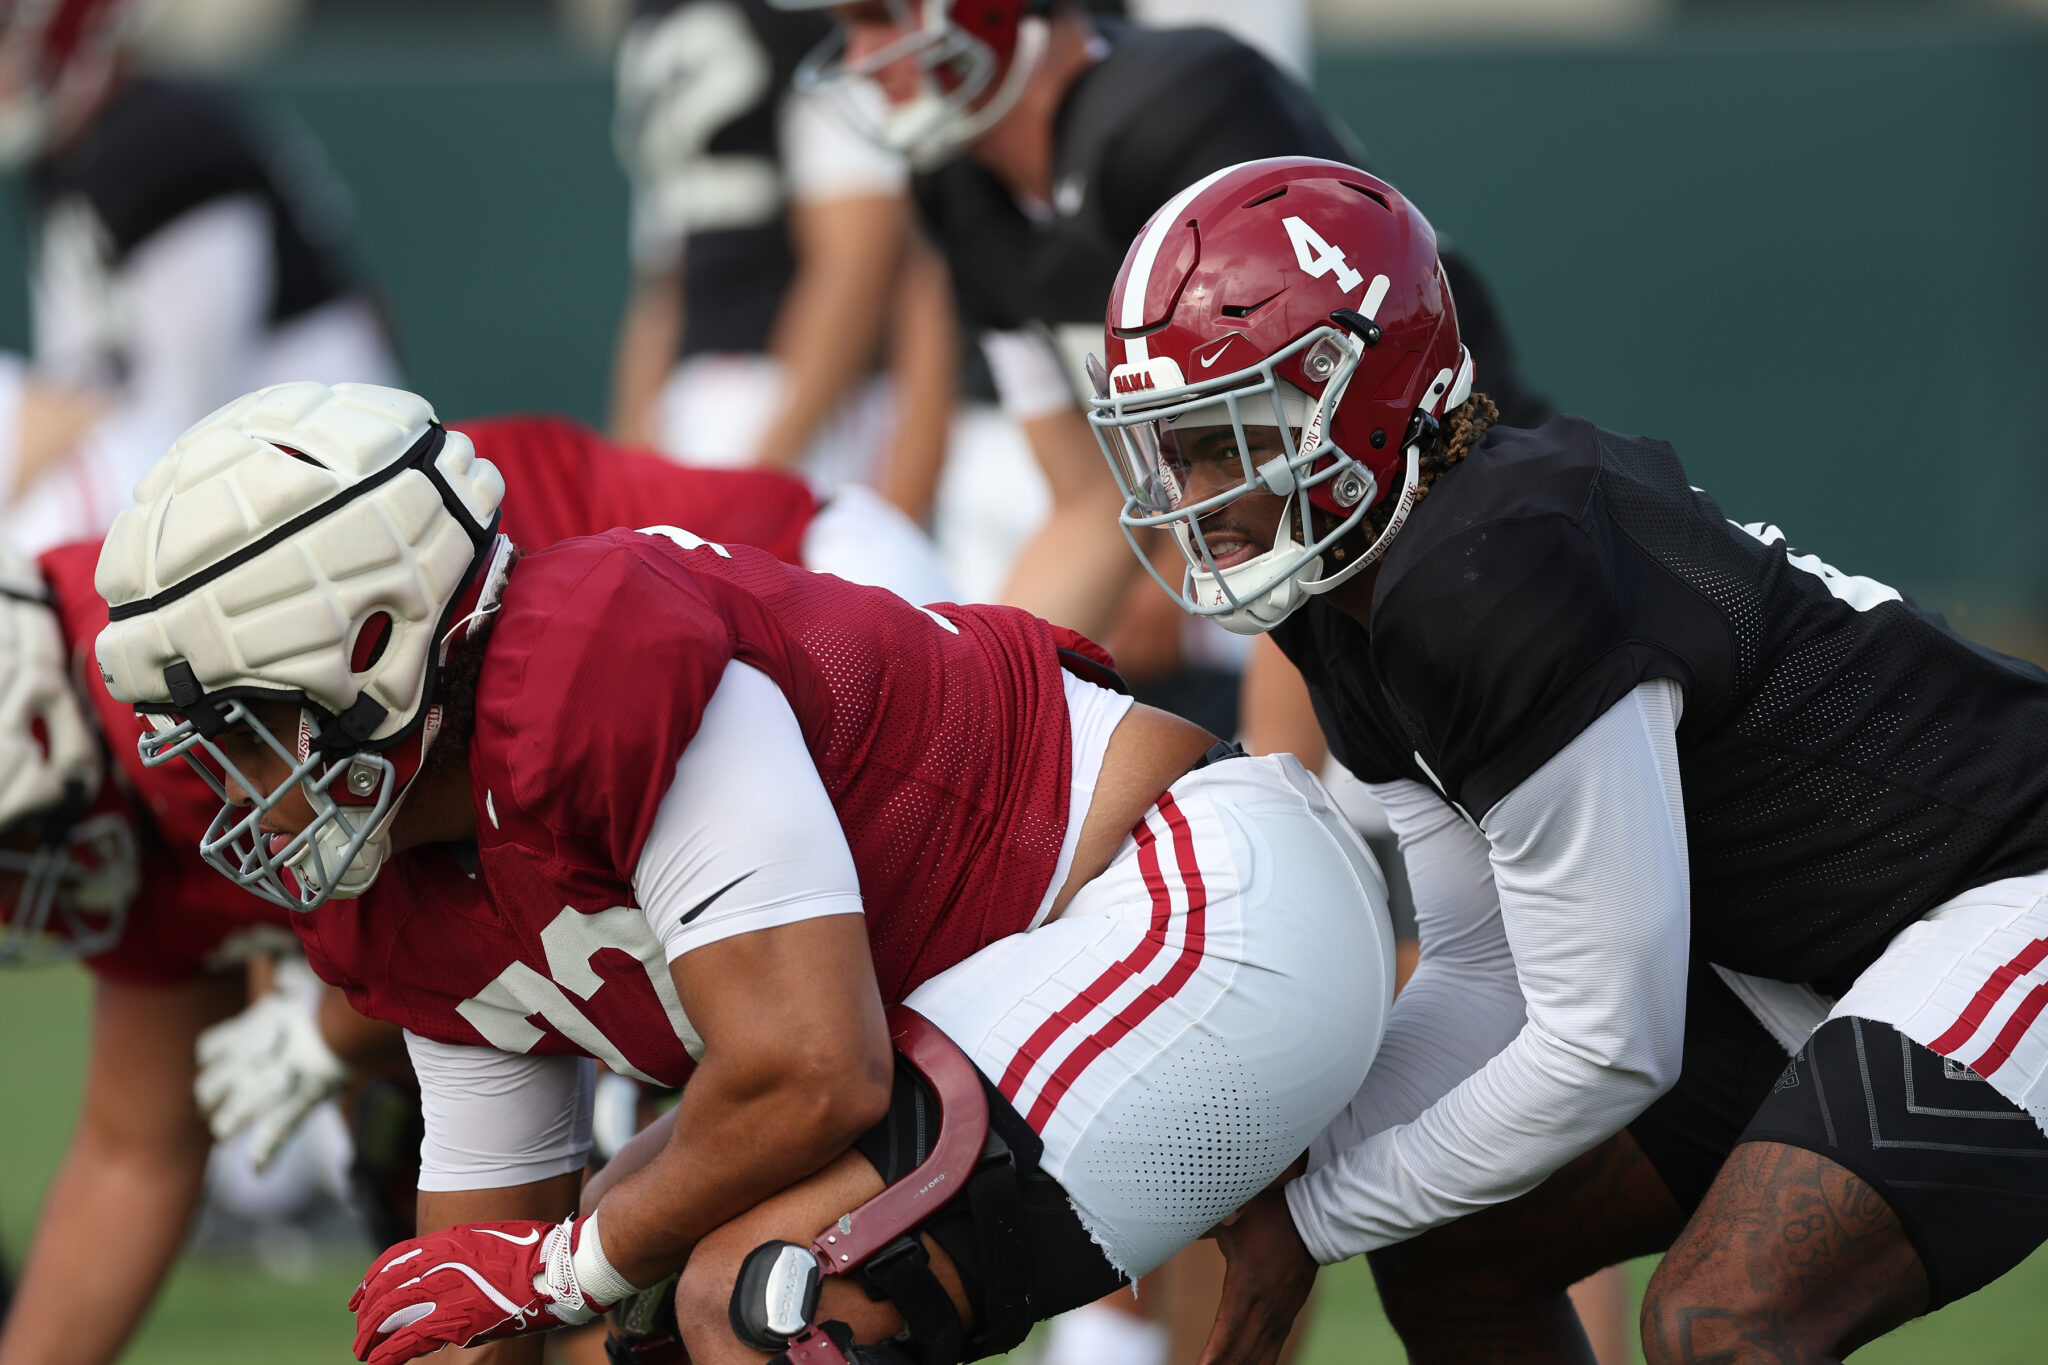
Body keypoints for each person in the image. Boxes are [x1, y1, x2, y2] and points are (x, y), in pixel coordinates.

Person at [92, 380, 1393, 1365]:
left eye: (243, 725)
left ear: (367, 645)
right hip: (1017, 993)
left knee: (767, 1293)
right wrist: (543, 1283)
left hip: (1195, 899)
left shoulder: (591, 664)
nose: (227, 780)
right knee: (630, 1318)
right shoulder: (400, 886)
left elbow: (812, 1065)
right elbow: (480, 1283)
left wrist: (563, 1269)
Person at [1086, 155, 2048, 1365]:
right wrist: (1280, 1158)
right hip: (1801, 956)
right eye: (1173, 446)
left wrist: (1313, 1213)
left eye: (1224, 439)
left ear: (1357, 398)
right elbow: (1486, 968)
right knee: (1453, 1252)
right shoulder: (1351, 597)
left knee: (1723, 1320)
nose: (1193, 494)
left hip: (2006, 892)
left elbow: (1603, 1042)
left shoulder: (1486, 572)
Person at [0, 411, 943, 1365]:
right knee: (503, 1212)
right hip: (632, 812)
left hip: (816, 645)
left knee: (718, 1251)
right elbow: (134, 1150)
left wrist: (327, 1034)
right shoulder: (155, 743)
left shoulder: (229, 667)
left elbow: (484, 809)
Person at [768, 0, 1542, 640]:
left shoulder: (1180, 111)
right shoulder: (957, 189)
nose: (862, 56)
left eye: (878, 18)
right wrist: (967, 699)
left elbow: (1322, 488)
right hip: (1270, 529)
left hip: (1434, 524)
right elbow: (1087, 505)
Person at [0, 0, 399, 555]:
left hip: (302, 458)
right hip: (215, 451)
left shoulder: (165, 142)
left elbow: (189, 404)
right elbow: (80, 371)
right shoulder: (68, 158)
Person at [610, 0, 956, 519]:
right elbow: (666, 276)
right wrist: (631, 469)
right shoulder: (658, 21)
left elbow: (866, 264)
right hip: (701, 406)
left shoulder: (791, 25)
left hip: (812, 400)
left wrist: (764, 467)